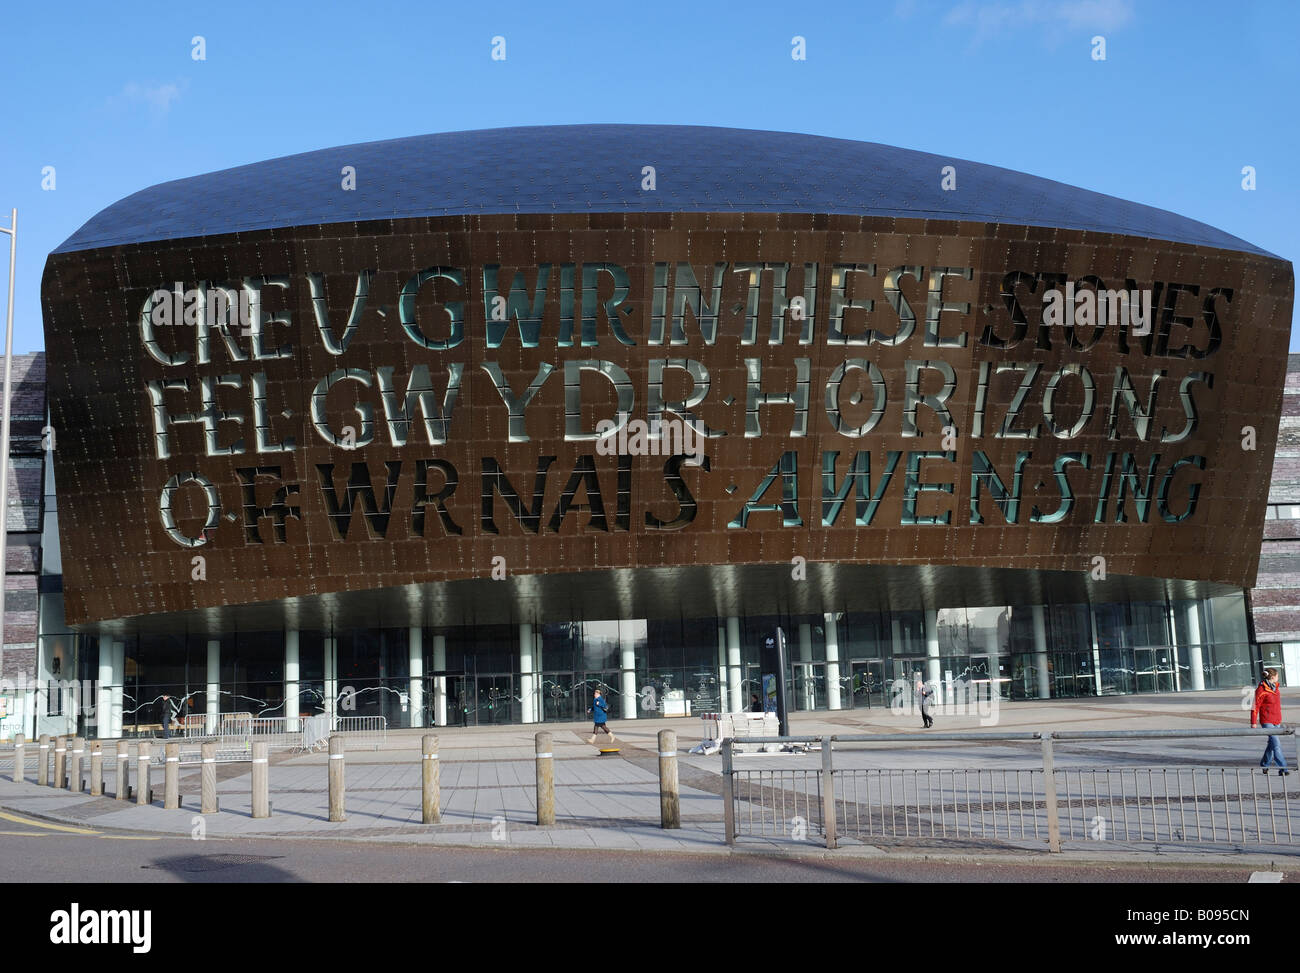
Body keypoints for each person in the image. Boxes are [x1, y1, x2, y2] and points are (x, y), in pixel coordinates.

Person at [1251, 667, 1290, 776]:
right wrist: (1253, 722)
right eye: (1277, 676)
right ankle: (1283, 768)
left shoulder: (1276, 687)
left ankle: (1264, 764)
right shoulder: (1261, 690)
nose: (1278, 678)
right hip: (1267, 721)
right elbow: (1255, 707)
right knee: (1276, 745)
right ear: (1272, 677)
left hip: (1276, 720)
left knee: (1271, 744)